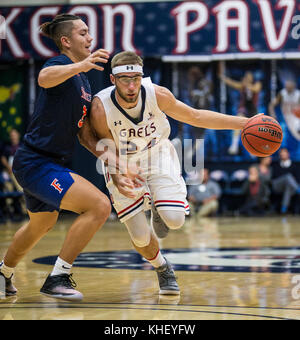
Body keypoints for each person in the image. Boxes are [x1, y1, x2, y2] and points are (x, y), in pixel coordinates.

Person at [81, 51, 257, 296]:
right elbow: (107, 148)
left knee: (174, 220)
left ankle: (157, 205)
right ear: (112, 80)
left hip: (157, 155)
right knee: (142, 239)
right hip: (124, 163)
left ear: (142, 76)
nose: (132, 86)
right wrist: (119, 174)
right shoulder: (101, 108)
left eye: (136, 78)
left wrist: (245, 123)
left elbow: (196, 116)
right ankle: (162, 267)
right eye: (124, 80)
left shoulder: (157, 94)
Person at [0, 14, 141, 301]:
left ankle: (2, 275)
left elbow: (86, 135)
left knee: (41, 225)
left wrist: (116, 164)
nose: (90, 38)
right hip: (36, 161)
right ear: (66, 41)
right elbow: (43, 78)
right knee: (100, 206)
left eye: (89, 33)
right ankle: (58, 277)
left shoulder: (84, 80)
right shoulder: (61, 65)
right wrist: (82, 64)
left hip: (48, 163)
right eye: (83, 33)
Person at [219, 69, 262, 155]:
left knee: (255, 129)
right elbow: (232, 83)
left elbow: (256, 89)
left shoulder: (257, 83)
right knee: (238, 121)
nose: (247, 77)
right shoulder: (242, 85)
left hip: (253, 109)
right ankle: (234, 145)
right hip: (244, 108)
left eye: (249, 76)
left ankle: (253, 148)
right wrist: (222, 77)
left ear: (252, 77)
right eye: (246, 76)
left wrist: (246, 85)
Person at [268, 80, 300, 152]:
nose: (287, 87)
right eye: (286, 86)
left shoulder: (298, 94)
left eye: (289, 86)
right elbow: (271, 105)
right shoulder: (282, 93)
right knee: (280, 135)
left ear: (294, 86)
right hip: (285, 118)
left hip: (296, 118)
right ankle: (281, 153)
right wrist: (273, 115)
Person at [271, 148, 300, 214]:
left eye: (284, 153)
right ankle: (298, 189)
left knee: (288, 187)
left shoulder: (294, 166)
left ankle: (284, 208)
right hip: (278, 186)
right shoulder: (275, 165)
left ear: (288, 154)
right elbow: (274, 177)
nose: (282, 155)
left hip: (290, 187)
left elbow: (297, 178)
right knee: (288, 177)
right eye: (281, 154)